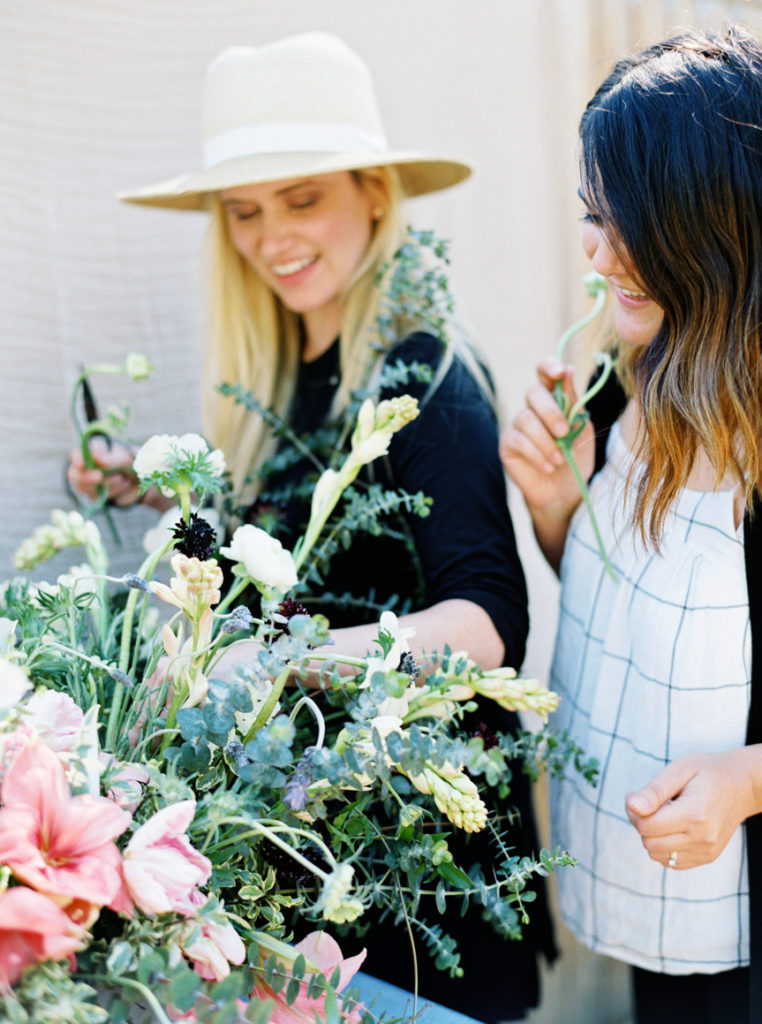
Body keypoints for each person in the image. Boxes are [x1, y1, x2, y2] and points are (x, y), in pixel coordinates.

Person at [67, 32, 553, 1021]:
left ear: (374, 191)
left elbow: (487, 620)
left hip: (427, 909)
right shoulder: (284, 377)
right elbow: (308, 555)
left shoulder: (427, 374)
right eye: (242, 210)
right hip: (311, 891)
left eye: (302, 198)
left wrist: (282, 660)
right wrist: (163, 491)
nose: (269, 235)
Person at [500, 24, 762, 1024]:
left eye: (632, 221)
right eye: (590, 215)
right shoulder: (619, 381)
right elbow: (634, 607)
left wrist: (745, 779)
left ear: (719, 226)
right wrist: (559, 506)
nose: (599, 253)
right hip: (648, 902)